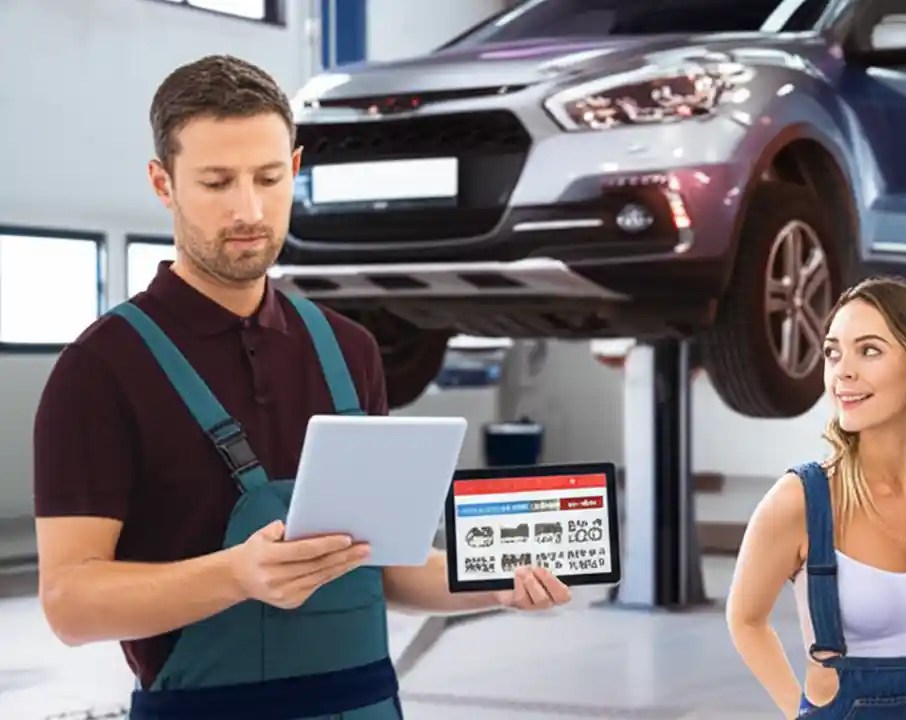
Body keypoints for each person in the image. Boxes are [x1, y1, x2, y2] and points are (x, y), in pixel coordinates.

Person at [31, 54, 570, 719]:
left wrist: (498, 584)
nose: (249, 209)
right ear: (163, 184)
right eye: (217, 182)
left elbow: (384, 567)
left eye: (268, 177)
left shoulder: (350, 350)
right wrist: (236, 575)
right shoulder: (102, 369)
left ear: (296, 167)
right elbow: (70, 604)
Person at [726, 277, 906, 719]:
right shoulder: (800, 500)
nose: (842, 372)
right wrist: (801, 712)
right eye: (833, 353)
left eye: (869, 350)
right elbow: (745, 620)